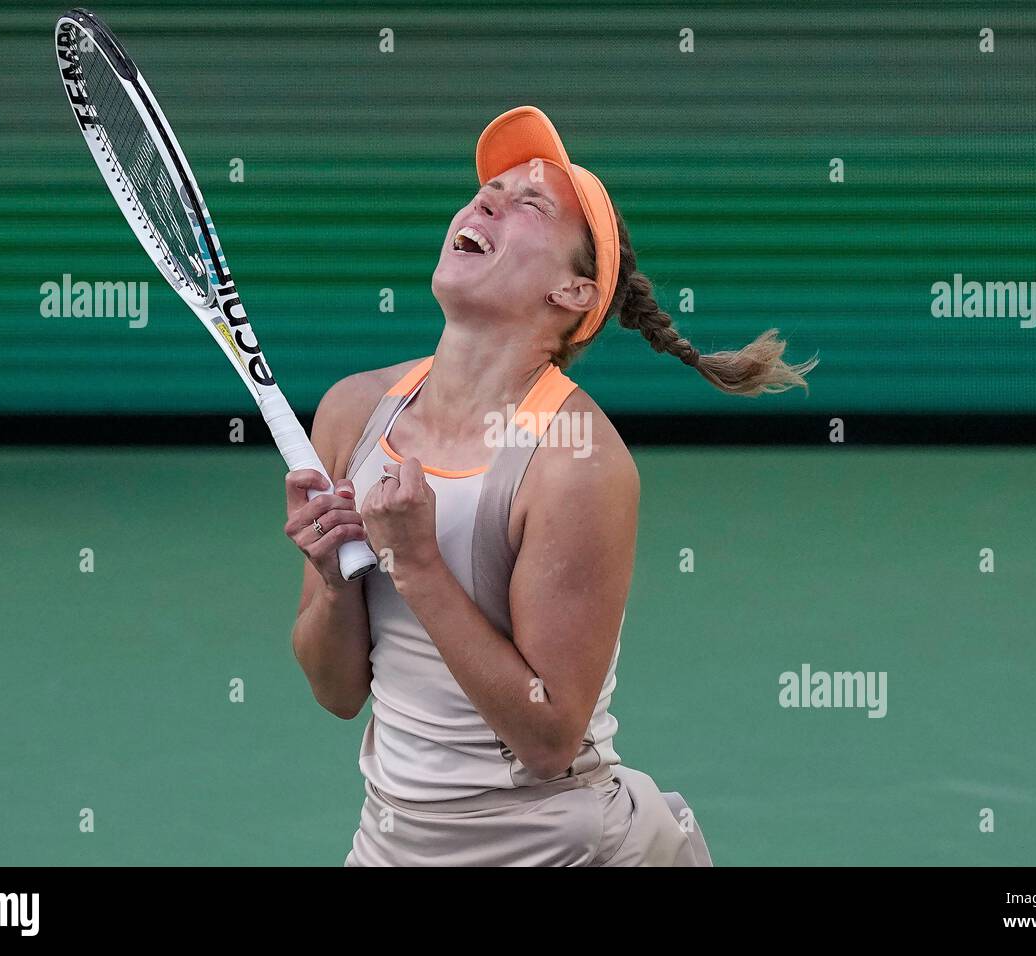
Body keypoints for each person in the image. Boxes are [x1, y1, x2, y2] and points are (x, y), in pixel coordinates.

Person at [285, 106, 815, 866]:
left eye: (529, 203)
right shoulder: (354, 410)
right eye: (488, 190)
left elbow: (547, 736)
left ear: (572, 293)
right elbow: (337, 696)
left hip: (553, 842)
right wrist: (333, 582)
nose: (485, 201)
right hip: (393, 841)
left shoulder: (578, 464)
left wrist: (418, 564)